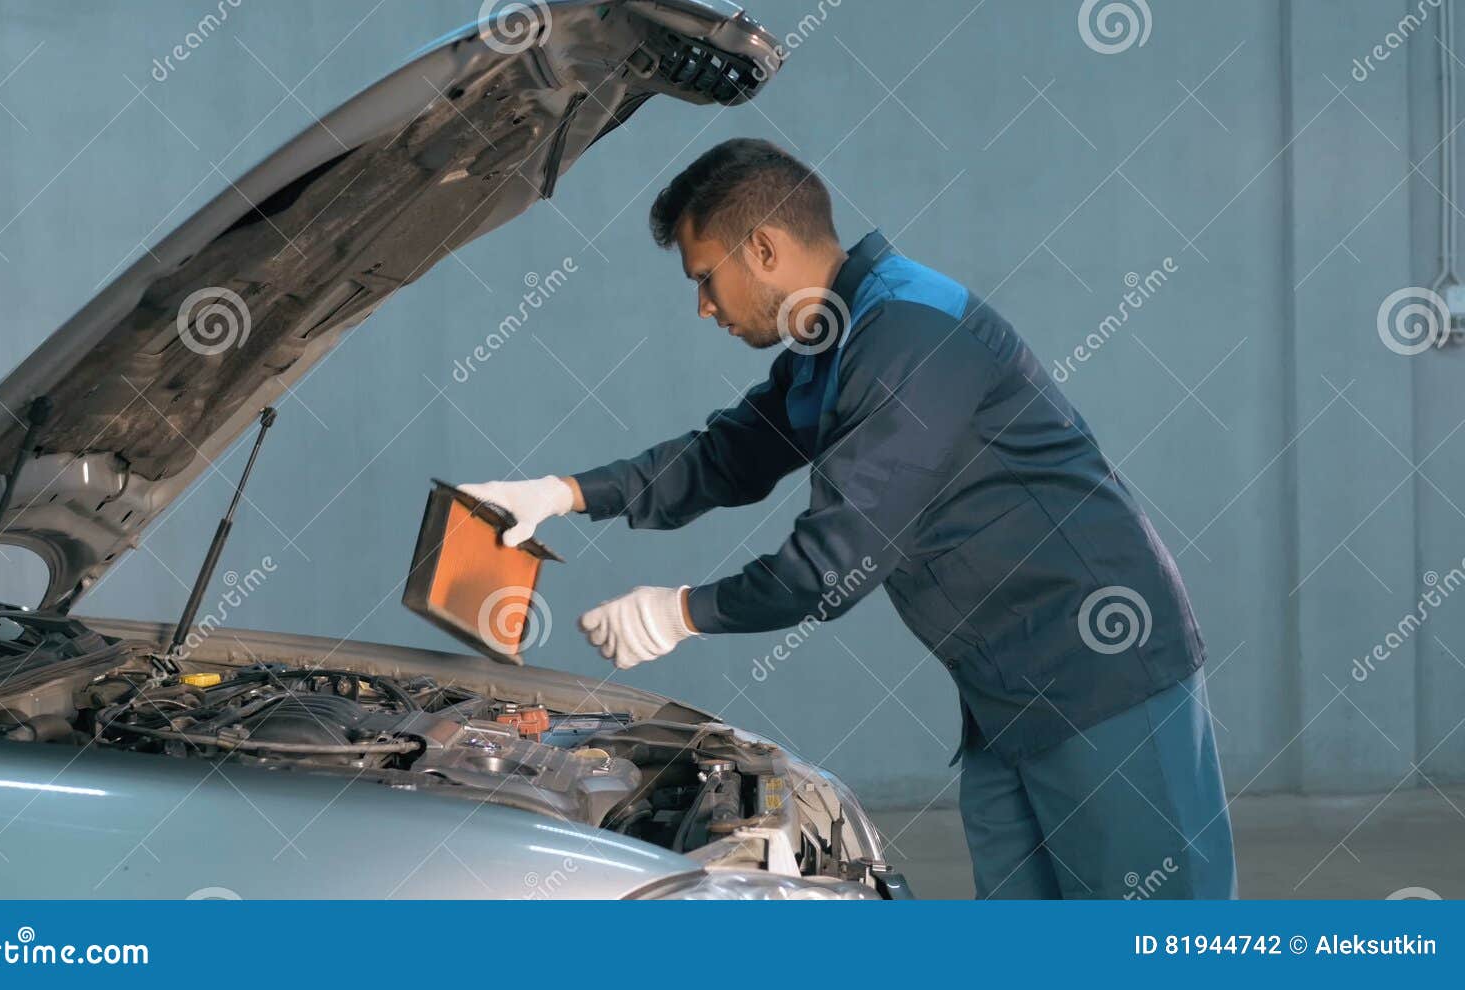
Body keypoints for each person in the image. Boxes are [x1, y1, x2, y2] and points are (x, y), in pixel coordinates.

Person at [461, 138, 1236, 899]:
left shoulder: (908, 334)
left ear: (763, 248)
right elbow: (727, 457)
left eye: (705, 278)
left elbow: (834, 563)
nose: (703, 307)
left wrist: (681, 613)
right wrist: (561, 493)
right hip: (1005, 696)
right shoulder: (835, 338)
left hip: (1103, 675)